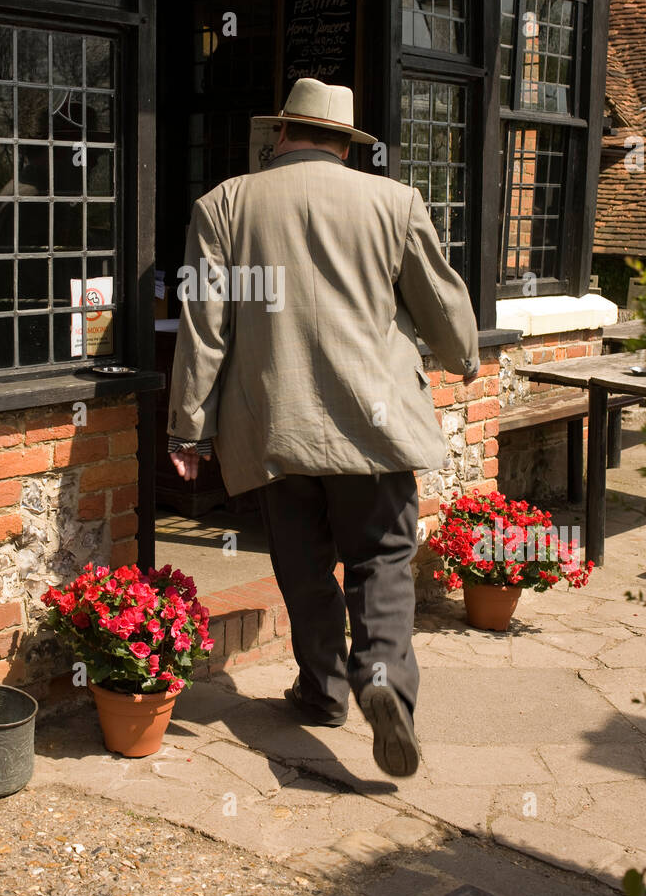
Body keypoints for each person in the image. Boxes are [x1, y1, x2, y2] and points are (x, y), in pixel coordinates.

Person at [166, 78, 480, 777]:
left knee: (302, 567)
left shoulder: (224, 204)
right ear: (347, 143)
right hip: (375, 427)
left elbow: (204, 328)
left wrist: (189, 429)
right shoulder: (393, 202)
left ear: (282, 133)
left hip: (276, 426)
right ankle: (381, 679)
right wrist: (463, 356)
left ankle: (324, 690)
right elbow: (438, 300)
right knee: (383, 561)